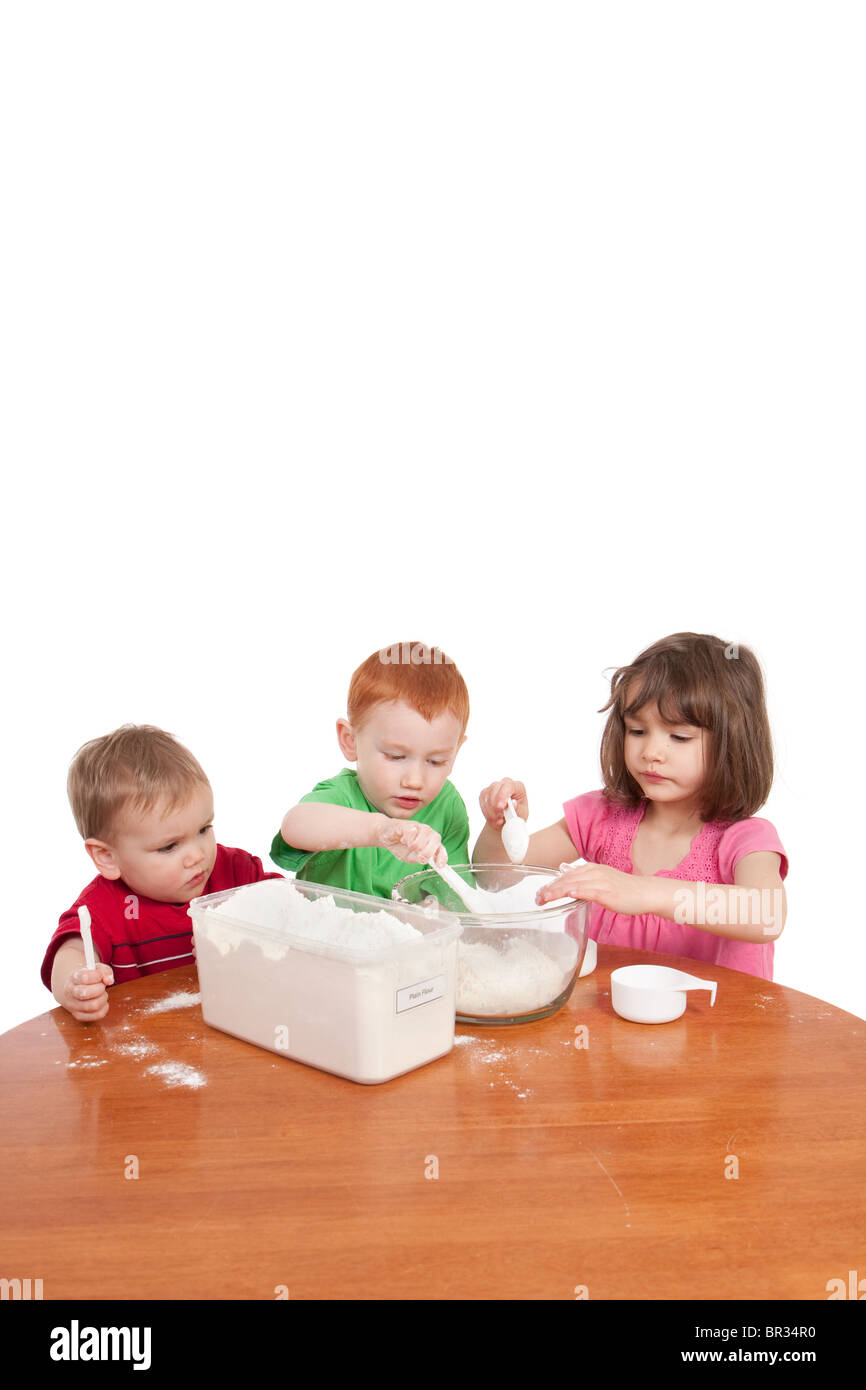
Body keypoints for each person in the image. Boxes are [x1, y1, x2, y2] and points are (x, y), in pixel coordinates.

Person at [475, 633, 788, 980]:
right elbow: (493, 876)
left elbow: (767, 914)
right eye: (637, 731)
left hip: (717, 1031)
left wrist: (640, 890)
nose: (650, 752)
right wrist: (502, 827)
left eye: (679, 737)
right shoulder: (602, 817)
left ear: (732, 743)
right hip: (608, 1027)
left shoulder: (746, 840)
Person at [43, 725, 282, 1022]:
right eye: (169, 846)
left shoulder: (235, 871)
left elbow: (289, 907)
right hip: (147, 1046)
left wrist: (247, 931)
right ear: (107, 857)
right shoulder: (105, 907)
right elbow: (71, 950)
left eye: (203, 829)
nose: (198, 855)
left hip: (241, 1027)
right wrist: (75, 982)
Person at [272, 641, 470, 897]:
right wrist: (380, 830)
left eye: (436, 761)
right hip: (326, 934)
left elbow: (456, 898)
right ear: (350, 741)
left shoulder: (446, 806)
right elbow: (295, 826)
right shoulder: (341, 796)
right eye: (396, 756)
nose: (414, 780)